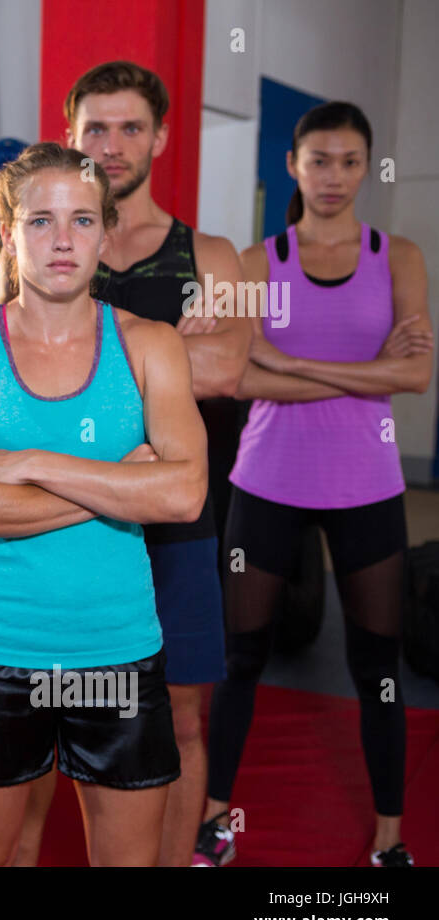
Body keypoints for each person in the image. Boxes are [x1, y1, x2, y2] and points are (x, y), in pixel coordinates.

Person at [0, 141, 208, 866]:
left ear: (107, 235)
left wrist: (31, 464)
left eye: (82, 221)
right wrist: (117, 481)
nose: (61, 241)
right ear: (5, 235)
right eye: (40, 221)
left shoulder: (150, 345)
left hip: (116, 650)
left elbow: (184, 493)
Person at [5, 61, 252, 868]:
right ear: (71, 136)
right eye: (95, 130)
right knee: (38, 715)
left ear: (162, 137)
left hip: (173, 521)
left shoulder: (212, 254)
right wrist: (167, 353)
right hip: (54, 521)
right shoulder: (46, 244)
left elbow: (229, 371)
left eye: (130, 128)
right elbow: (14, 368)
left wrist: (162, 362)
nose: (112, 146)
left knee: (179, 717)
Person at [198, 102, 432, 868]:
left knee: (378, 670)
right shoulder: (257, 263)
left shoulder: (398, 255)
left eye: (350, 161)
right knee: (239, 660)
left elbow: (419, 373)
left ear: (368, 168)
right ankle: (214, 820)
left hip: (367, 483)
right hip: (267, 479)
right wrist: (369, 376)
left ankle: (391, 835)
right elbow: (235, 375)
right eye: (319, 161)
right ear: (294, 166)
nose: (334, 176)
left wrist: (291, 364)